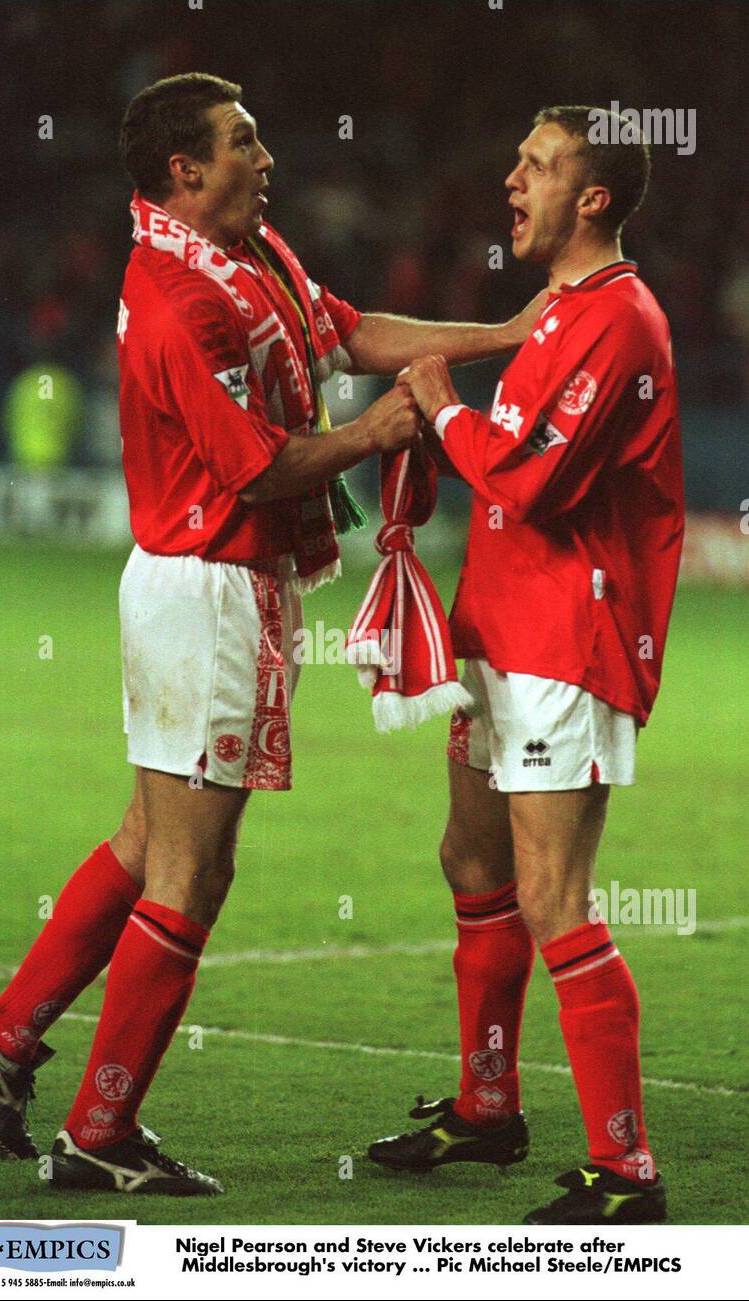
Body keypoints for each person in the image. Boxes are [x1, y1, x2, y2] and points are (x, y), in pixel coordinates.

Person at [0, 73, 542, 1196]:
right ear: (185, 169)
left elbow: (349, 329)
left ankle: (6, 1037)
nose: (266, 157)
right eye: (244, 141)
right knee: (193, 872)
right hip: (203, 594)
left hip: (218, 589)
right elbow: (255, 465)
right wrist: (377, 431)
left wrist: (501, 331)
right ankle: (101, 1133)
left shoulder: (249, 253)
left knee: (142, 843)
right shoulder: (176, 294)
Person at [368, 106, 684, 1225]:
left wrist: (443, 409)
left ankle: (625, 1172)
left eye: (538, 165)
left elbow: (531, 483)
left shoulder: (619, 320)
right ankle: (487, 1106)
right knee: (471, 859)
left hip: (568, 643)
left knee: (555, 896)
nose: (512, 180)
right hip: (499, 635)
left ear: (593, 196)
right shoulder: (559, 317)